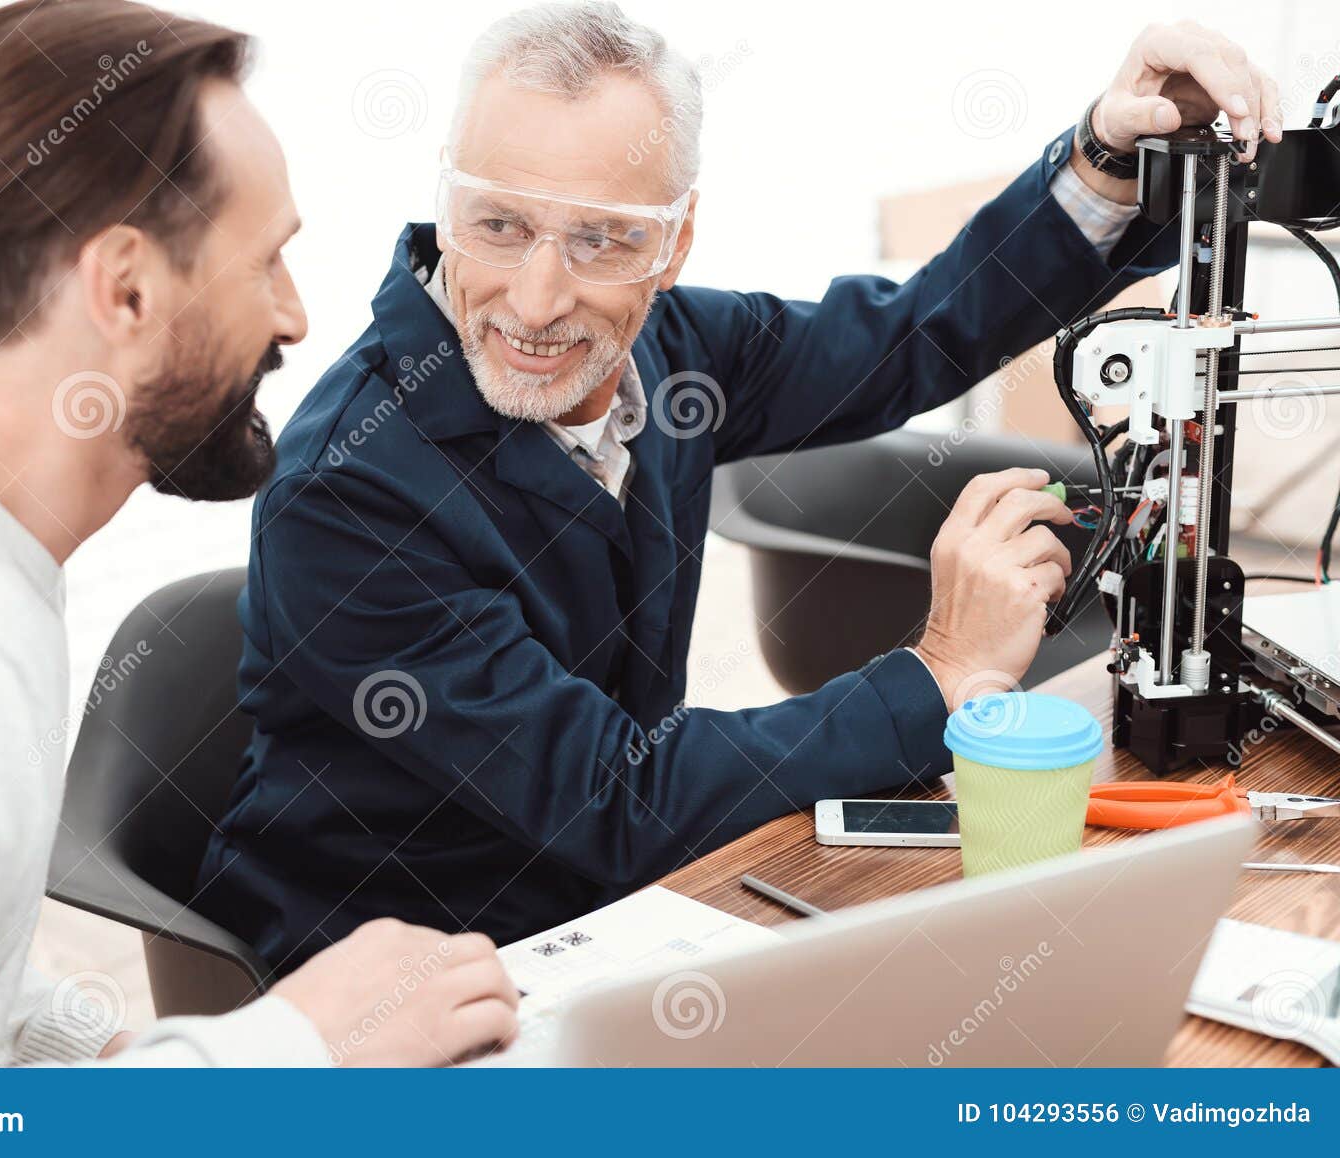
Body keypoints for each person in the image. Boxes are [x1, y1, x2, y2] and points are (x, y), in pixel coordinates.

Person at [199, 3, 1282, 971]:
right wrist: (937, 669)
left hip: (620, 912)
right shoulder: (347, 490)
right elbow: (613, 798)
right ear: (445, 205)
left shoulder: (673, 356)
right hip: (394, 989)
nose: (534, 300)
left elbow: (908, 339)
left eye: (602, 240)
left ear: (674, 244)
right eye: (499, 224)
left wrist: (1101, 156)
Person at [0, 0, 517, 1066]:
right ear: (128, 288)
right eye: (264, 263)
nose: (293, 317)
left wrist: (114, 1053)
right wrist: (300, 1050)